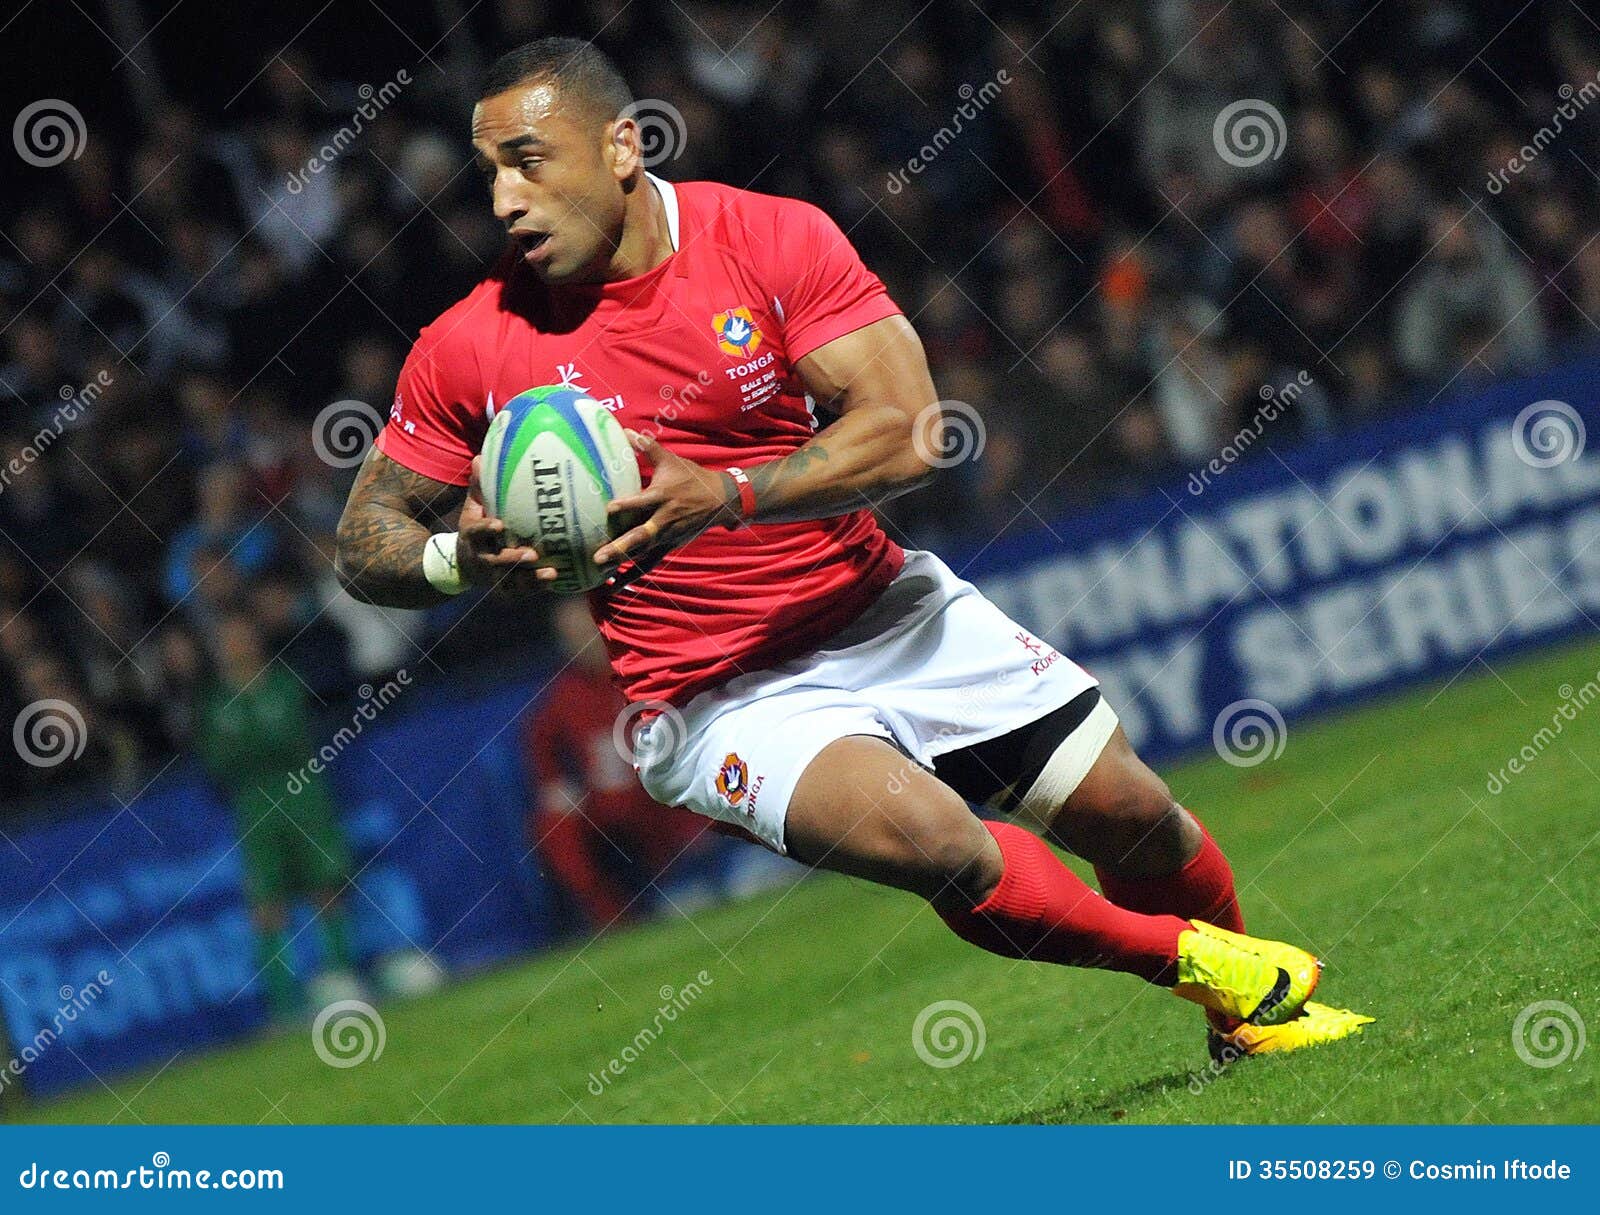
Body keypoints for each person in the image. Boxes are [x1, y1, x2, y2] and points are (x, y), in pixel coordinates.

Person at [336, 37, 1371, 1062]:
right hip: (715, 695)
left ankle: (1247, 1030)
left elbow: (910, 429)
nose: (504, 201)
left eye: (528, 161)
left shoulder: (766, 241)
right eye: (488, 176)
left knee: (1133, 815)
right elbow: (364, 541)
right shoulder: (473, 344)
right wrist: (455, 561)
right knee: (941, 844)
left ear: (620, 145)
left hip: (879, 608)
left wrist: (729, 494)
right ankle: (1205, 964)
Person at [194, 612, 363, 1021]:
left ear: (257, 640)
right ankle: (285, 1006)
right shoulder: (215, 704)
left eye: (242, 636)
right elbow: (218, 761)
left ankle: (344, 981)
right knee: (266, 903)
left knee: (326, 888)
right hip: (254, 806)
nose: (237, 646)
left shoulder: (287, 686)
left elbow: (294, 739)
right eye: (227, 640)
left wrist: (255, 748)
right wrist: (256, 750)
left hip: (304, 794)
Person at [523, 599, 709, 930]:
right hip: (621, 826)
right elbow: (547, 769)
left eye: (587, 633)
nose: (583, 645)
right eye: (572, 638)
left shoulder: (650, 671)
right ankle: (614, 920)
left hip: (681, 806)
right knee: (554, 822)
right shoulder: (564, 699)